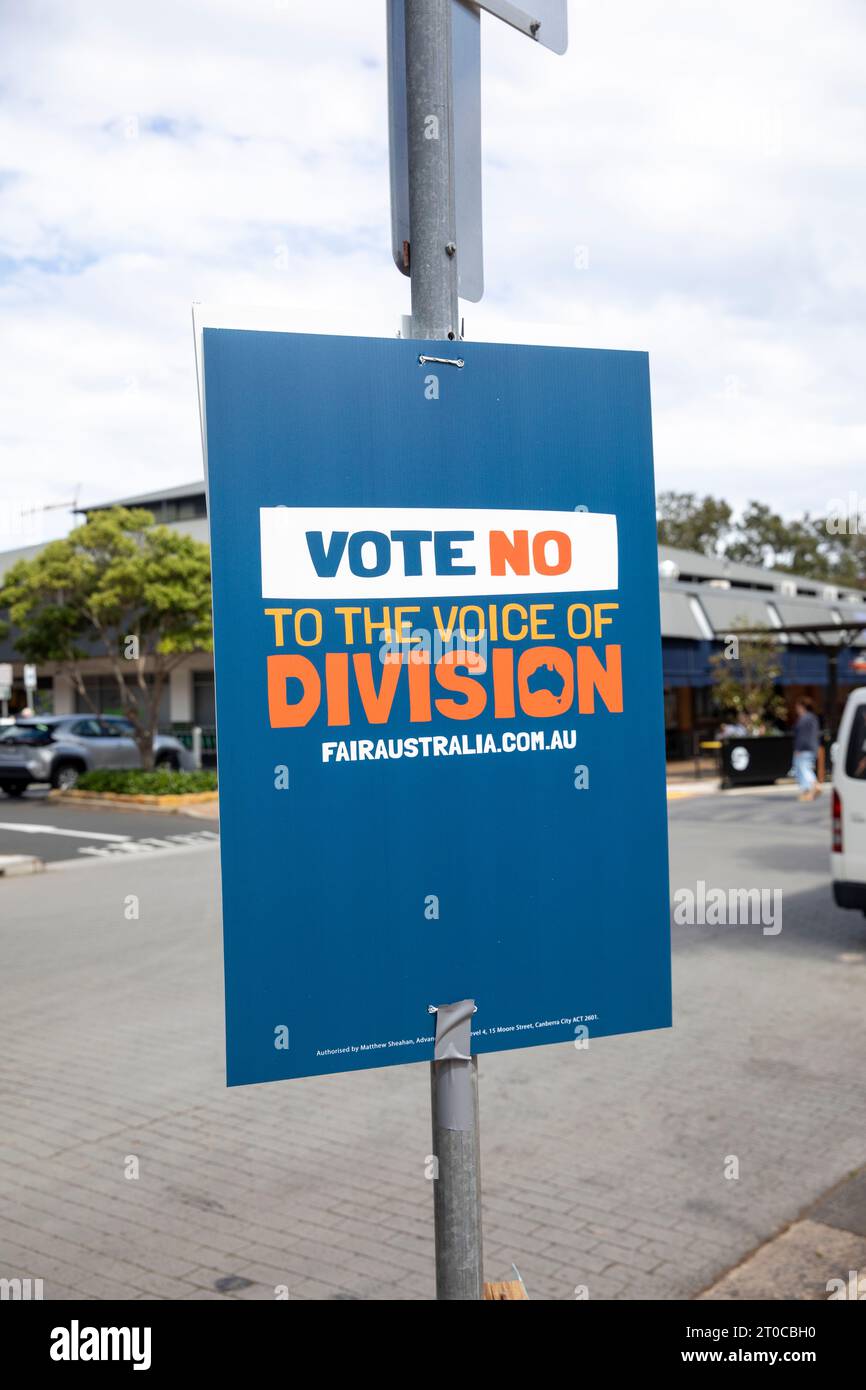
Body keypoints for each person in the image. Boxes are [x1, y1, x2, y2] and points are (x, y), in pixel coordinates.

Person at [792, 698, 820, 801]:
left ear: (802, 707)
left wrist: (798, 749)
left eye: (797, 707)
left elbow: (802, 736)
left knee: (803, 769)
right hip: (811, 747)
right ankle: (807, 792)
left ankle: (813, 786)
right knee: (804, 768)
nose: (796, 709)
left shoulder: (804, 719)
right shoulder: (812, 718)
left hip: (804, 748)